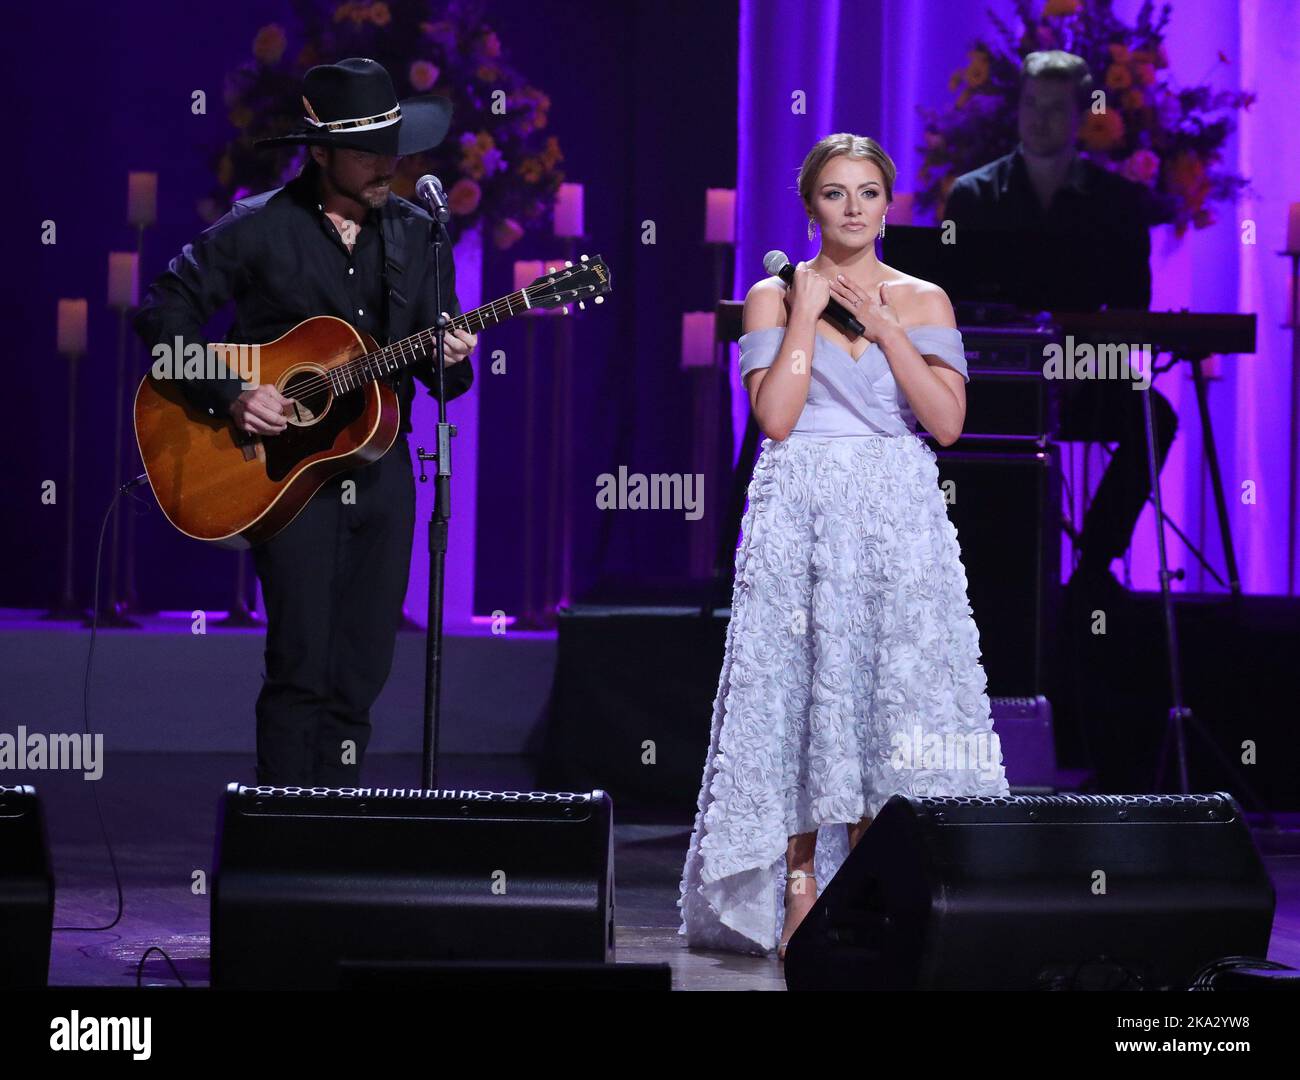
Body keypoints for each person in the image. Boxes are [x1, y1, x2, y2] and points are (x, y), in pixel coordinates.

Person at [678, 133, 1009, 959]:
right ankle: (799, 892)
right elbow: (776, 420)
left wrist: (886, 326)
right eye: (835, 193)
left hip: (896, 509)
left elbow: (948, 423)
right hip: (802, 505)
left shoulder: (926, 297)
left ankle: (871, 890)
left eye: (867, 192)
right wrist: (802, 309)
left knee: (883, 700)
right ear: (810, 204)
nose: (853, 208)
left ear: (889, 205)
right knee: (798, 695)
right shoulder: (768, 295)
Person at [135, 58, 477, 787]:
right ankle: (281, 841)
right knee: (300, 665)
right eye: (365, 151)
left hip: (381, 470)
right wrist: (231, 393)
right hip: (284, 477)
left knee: (360, 669)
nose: (386, 163)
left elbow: (444, 380)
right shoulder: (259, 227)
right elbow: (161, 317)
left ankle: (336, 842)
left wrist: (452, 354)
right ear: (318, 152)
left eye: (392, 146)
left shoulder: (419, 237)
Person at [943, 50, 1177, 595]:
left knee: (1154, 419)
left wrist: (1078, 361)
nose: (1039, 119)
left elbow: (1129, 311)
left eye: (1054, 108)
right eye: (1030, 104)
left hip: (1085, 371)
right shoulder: (974, 195)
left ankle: (1094, 567)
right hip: (994, 376)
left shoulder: (1119, 202)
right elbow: (948, 303)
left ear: (1080, 116)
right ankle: (977, 574)